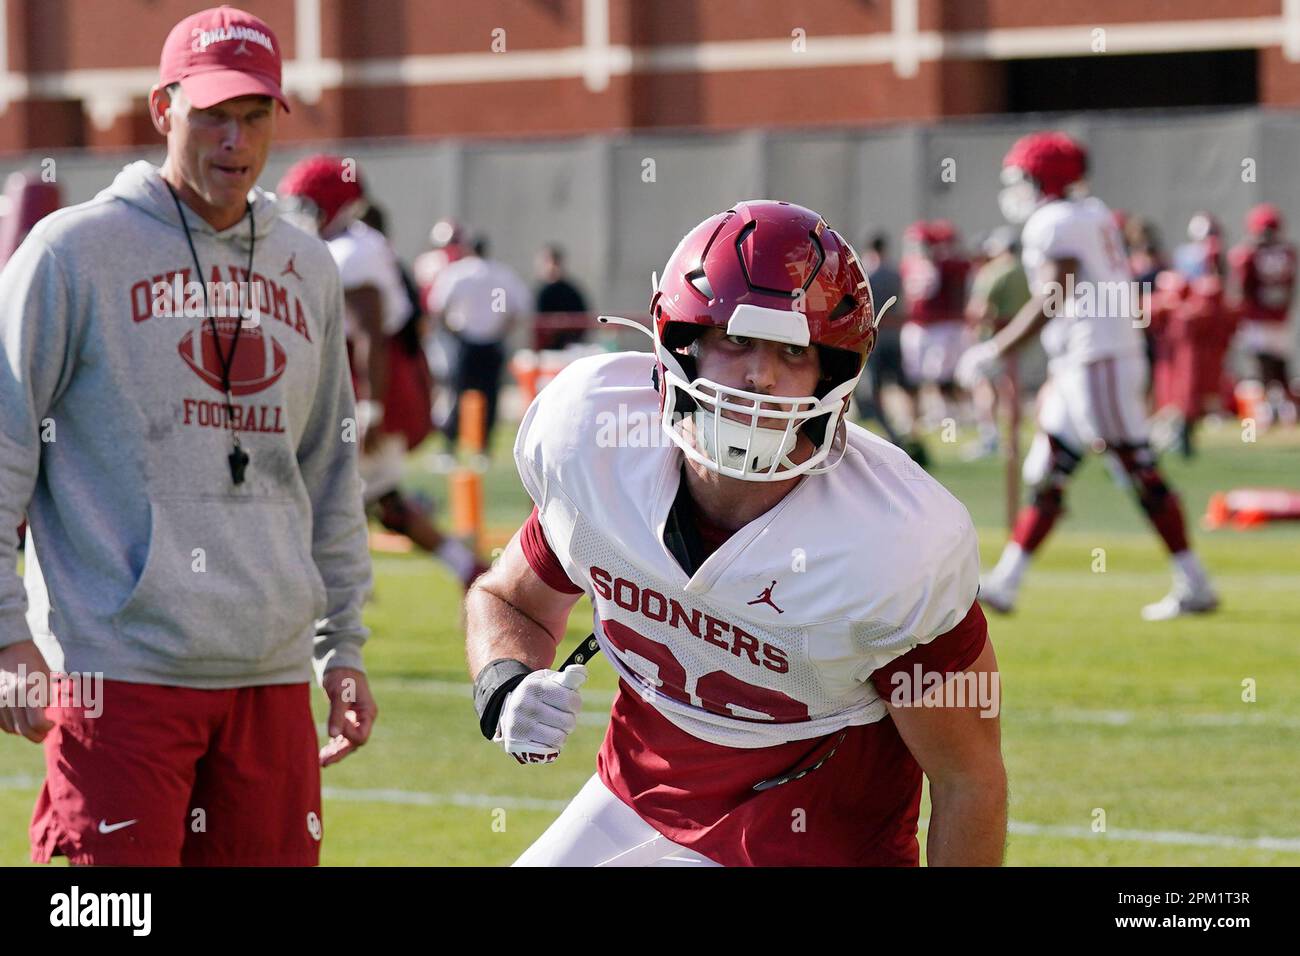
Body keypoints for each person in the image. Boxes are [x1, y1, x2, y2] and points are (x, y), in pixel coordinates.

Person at [467, 200, 1006, 867]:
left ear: (833, 372)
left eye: (792, 351)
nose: (761, 376)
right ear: (680, 343)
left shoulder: (892, 544)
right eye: (735, 341)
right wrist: (504, 682)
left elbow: (968, 780)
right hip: (633, 797)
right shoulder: (599, 446)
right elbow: (510, 599)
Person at [0, 6, 376, 866]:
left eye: (252, 118)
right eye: (212, 115)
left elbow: (328, 471)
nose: (234, 142)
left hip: (271, 676)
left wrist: (342, 646)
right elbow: (5, 447)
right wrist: (6, 635)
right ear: (163, 108)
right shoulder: (72, 253)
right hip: (118, 672)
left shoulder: (306, 266)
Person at [957, 131, 1217, 621]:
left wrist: (998, 347)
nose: (1015, 188)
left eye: (1021, 178)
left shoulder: (1054, 221)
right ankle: (1008, 582)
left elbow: (1056, 292)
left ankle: (1196, 581)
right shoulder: (1089, 212)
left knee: (1135, 464)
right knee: (1052, 471)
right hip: (1089, 356)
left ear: (1043, 178)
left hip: (1097, 356)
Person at [277, 156, 486, 588]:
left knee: (317, 496)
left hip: (374, 387)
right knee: (382, 501)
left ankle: (326, 594)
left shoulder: (351, 252)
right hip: (378, 382)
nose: (301, 217)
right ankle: (469, 569)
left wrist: (369, 411)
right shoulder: (353, 243)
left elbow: (372, 335)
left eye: (308, 206)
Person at [428, 235, 531, 453]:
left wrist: (451, 329)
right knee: (491, 395)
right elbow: (520, 308)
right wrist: (502, 329)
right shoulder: (502, 274)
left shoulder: (458, 273)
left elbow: (437, 305)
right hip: (493, 342)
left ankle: (450, 446)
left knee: (457, 394)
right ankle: (484, 446)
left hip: (465, 341)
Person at [963, 226, 1031, 460]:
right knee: (1011, 388)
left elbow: (979, 308)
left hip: (993, 338)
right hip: (1018, 337)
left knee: (984, 385)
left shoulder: (994, 271)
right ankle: (1012, 440)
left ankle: (989, 437)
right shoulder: (1026, 271)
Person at [1228, 203, 1298, 425]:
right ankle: (1286, 408)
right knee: (1279, 365)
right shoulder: (1288, 252)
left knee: (1262, 365)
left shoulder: (1248, 254)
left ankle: (1269, 410)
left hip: (1257, 318)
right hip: (1280, 318)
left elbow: (1241, 288)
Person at [899, 220, 972, 428]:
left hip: (942, 325)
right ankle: (919, 415)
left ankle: (949, 414)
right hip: (917, 324)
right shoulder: (909, 265)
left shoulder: (947, 264)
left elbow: (963, 272)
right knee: (914, 373)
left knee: (941, 373)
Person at [533, 243, 590, 350]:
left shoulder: (571, 291)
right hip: (545, 350)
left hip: (568, 348)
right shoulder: (540, 291)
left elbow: (582, 319)